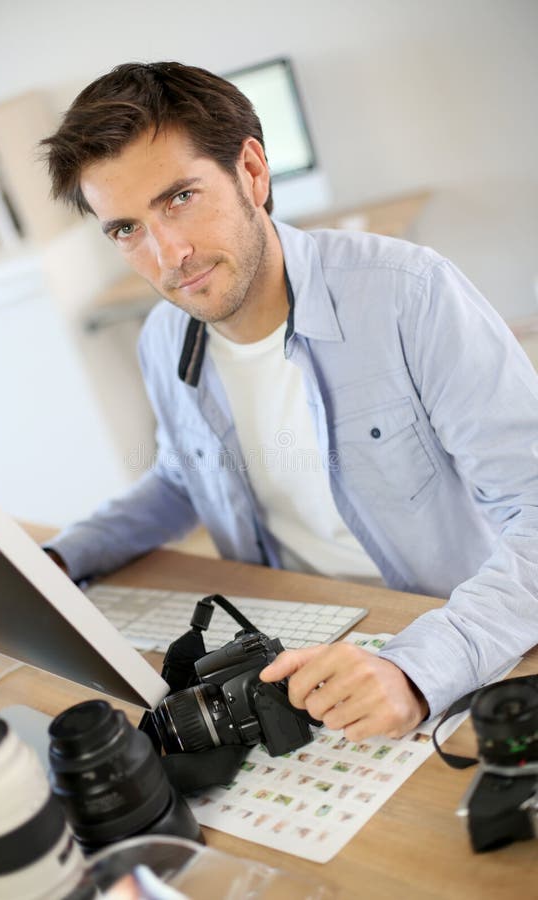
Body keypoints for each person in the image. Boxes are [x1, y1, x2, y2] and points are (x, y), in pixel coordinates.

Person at [40, 61, 538, 741]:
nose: (168, 254)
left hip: (447, 635)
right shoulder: (163, 337)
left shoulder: (410, 293)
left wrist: (417, 669)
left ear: (251, 171)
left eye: (180, 197)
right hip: (292, 646)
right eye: (126, 229)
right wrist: (61, 560)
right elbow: (184, 479)